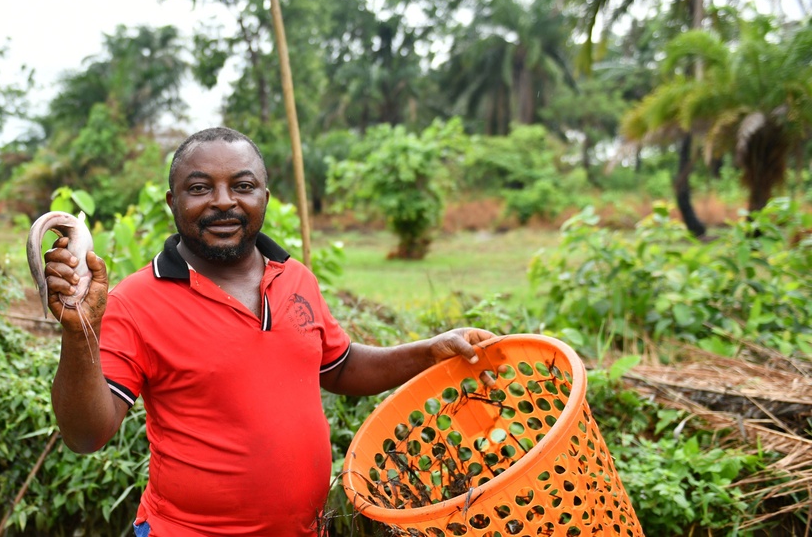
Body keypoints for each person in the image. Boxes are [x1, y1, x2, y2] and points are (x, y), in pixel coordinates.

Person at [41, 127, 496, 536]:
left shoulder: (295, 277)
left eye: (242, 186)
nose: (223, 201)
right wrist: (80, 329)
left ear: (264, 195)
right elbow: (86, 435)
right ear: (172, 201)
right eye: (200, 188)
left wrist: (430, 351)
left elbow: (338, 366)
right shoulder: (136, 300)